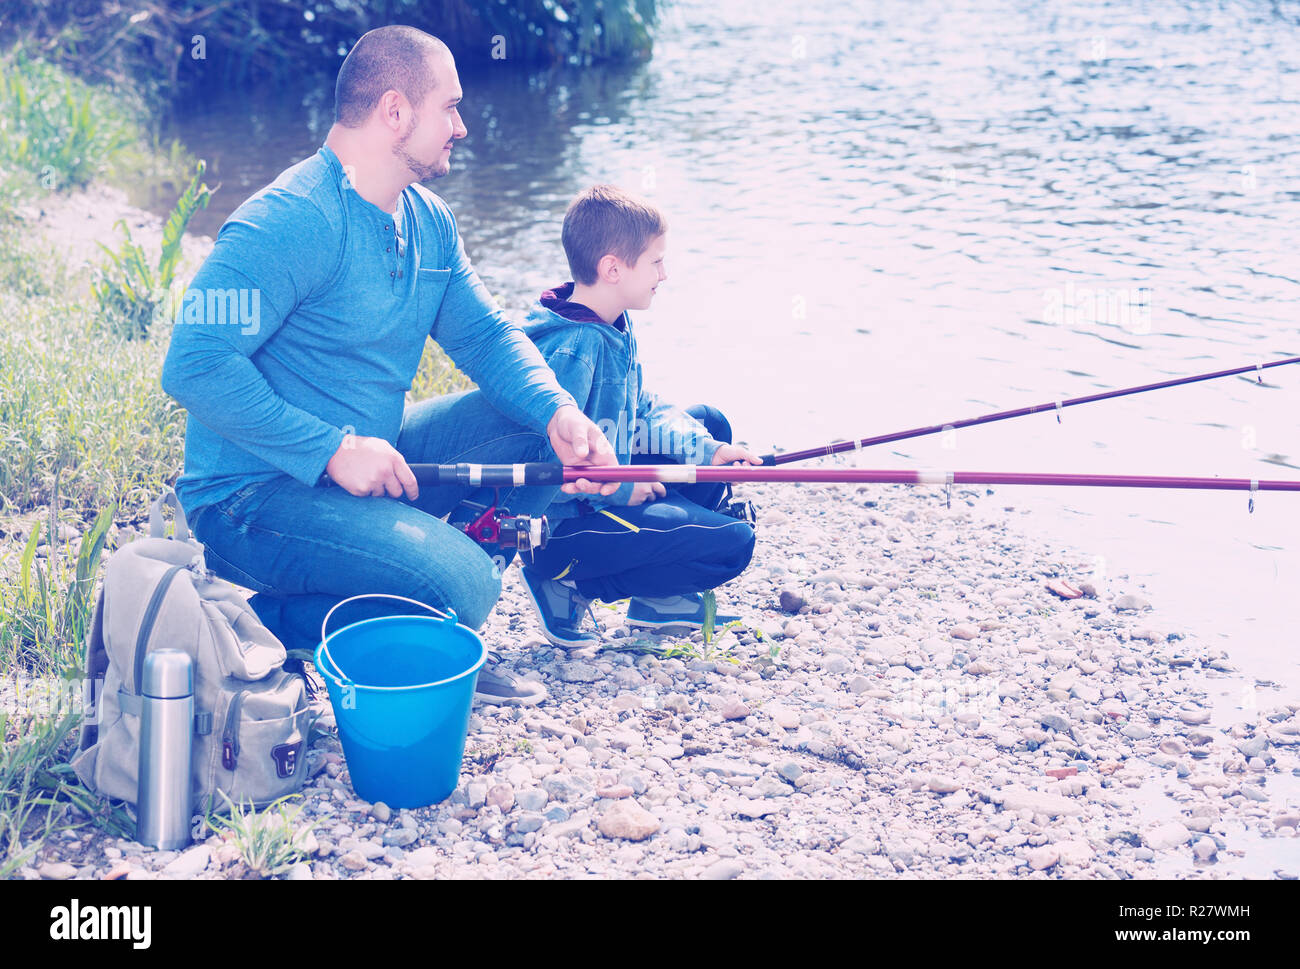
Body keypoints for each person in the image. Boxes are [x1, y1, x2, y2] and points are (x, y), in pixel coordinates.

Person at [159, 26, 619, 706]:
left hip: (375, 459)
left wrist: (561, 412)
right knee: (465, 583)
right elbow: (192, 363)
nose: (463, 126)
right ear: (396, 112)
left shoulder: (430, 221)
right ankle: (270, 622)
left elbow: (489, 337)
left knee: (536, 423)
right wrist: (330, 448)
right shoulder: (291, 218)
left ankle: (428, 604)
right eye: (451, 108)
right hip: (251, 498)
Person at [515, 185, 760, 648]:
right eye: (655, 261)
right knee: (734, 544)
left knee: (710, 423)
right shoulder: (574, 348)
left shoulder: (609, 323)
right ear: (612, 268)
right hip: (561, 525)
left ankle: (657, 601)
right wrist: (625, 487)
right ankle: (565, 585)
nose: (664, 274)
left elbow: (641, 406)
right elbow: (549, 460)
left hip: (603, 483)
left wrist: (710, 451)